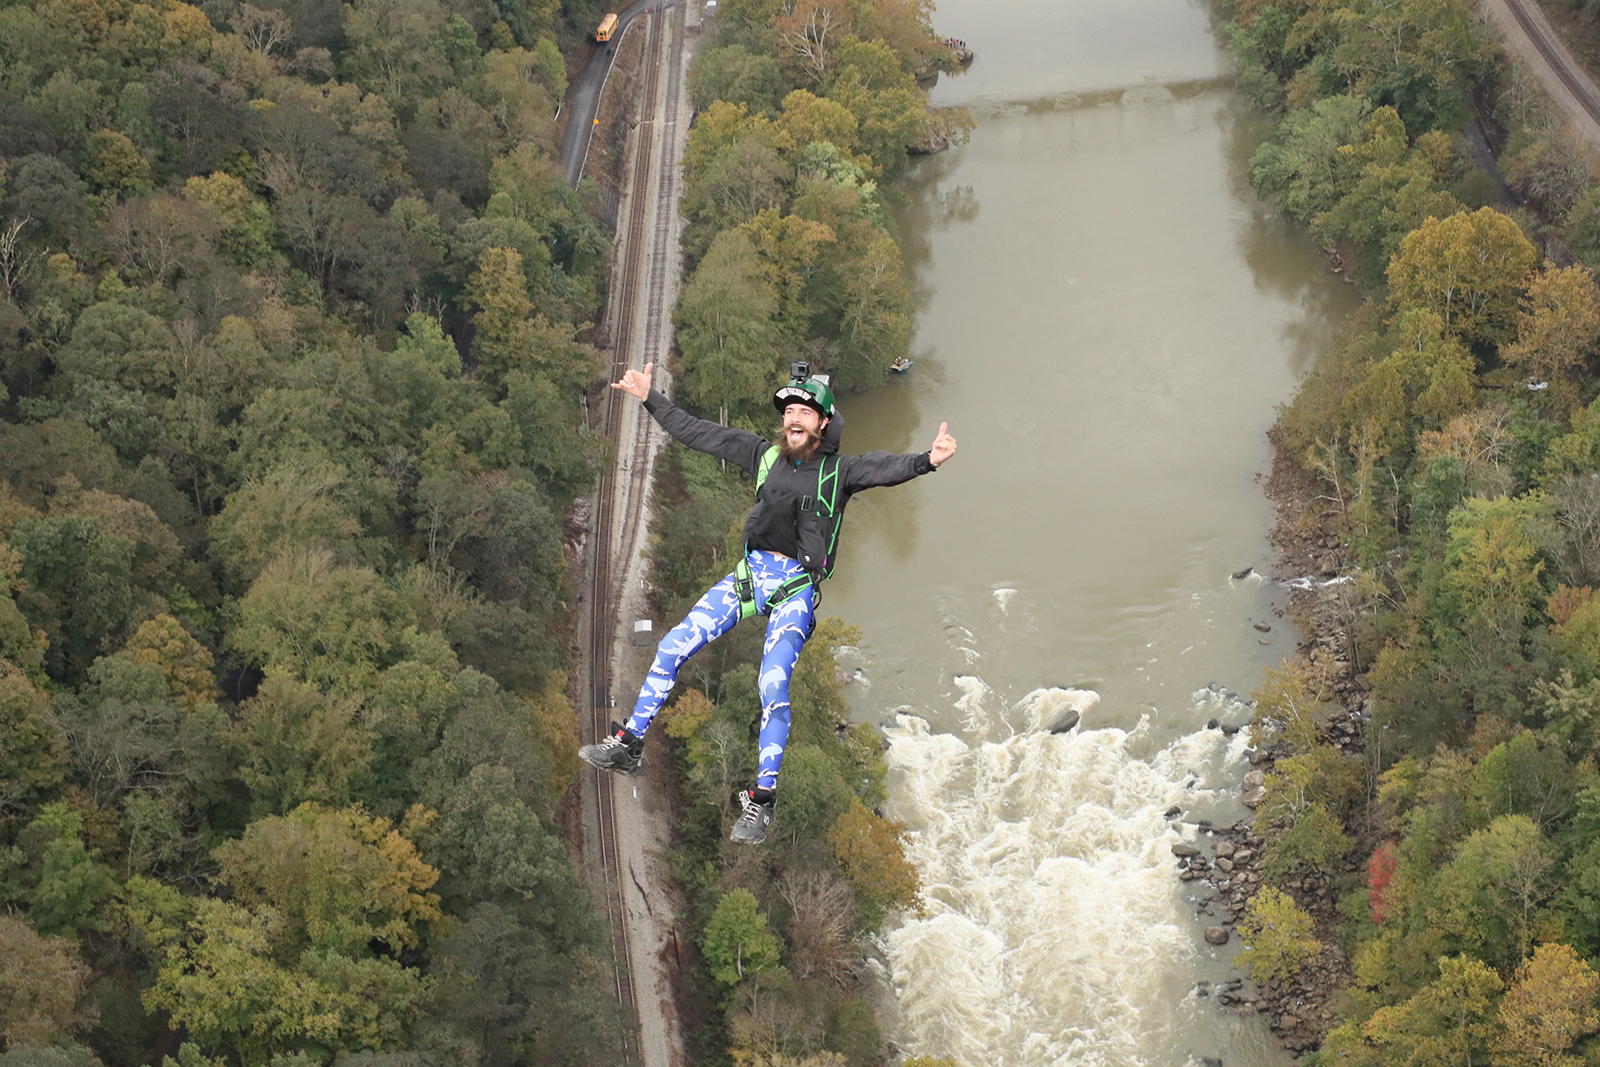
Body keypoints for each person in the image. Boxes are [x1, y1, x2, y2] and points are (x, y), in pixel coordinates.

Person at [580, 360, 958, 843]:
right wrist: (651, 397)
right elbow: (698, 433)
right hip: (750, 577)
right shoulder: (762, 456)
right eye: (789, 412)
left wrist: (928, 458)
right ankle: (629, 746)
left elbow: (887, 466)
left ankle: (762, 802)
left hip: (795, 590)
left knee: (772, 683)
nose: (794, 419)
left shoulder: (839, 472)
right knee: (673, 646)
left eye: (805, 412)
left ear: (823, 423)